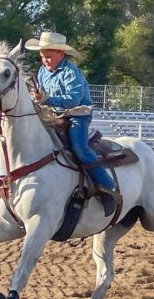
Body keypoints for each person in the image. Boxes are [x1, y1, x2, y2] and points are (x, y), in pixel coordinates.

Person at [25, 31, 120, 216]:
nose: (45, 61)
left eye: (49, 57)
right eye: (43, 57)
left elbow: (74, 100)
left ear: (61, 54)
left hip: (78, 116)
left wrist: (47, 98)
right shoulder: (43, 72)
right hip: (55, 114)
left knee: (79, 148)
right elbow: (43, 95)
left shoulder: (71, 72)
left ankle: (109, 189)